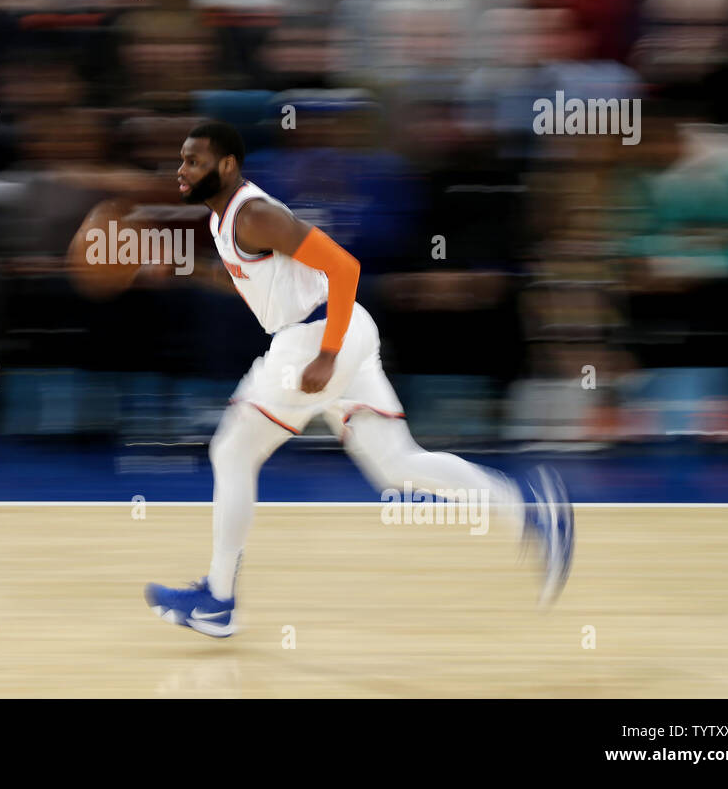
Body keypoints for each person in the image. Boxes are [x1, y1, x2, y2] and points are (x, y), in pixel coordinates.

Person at [143, 121, 574, 637]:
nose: (182, 169)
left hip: (316, 340)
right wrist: (184, 270)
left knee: (232, 452)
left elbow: (345, 267)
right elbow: (252, 282)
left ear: (228, 165)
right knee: (398, 466)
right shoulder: (225, 222)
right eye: (182, 159)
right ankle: (528, 511)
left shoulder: (255, 214)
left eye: (194, 160)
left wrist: (325, 356)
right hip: (340, 333)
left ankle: (217, 599)